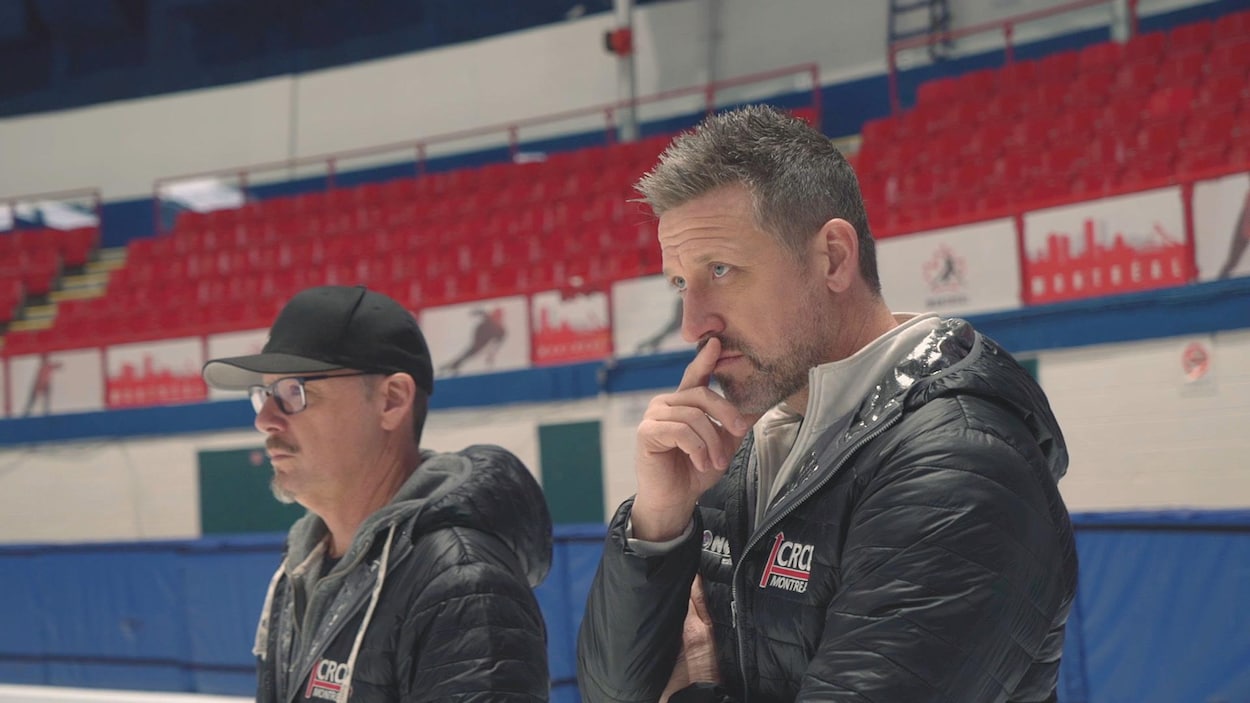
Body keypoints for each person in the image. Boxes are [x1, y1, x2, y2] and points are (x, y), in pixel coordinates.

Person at [577, 105, 1078, 703]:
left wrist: (694, 693)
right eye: (682, 284)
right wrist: (657, 525)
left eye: (721, 270)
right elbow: (610, 693)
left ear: (834, 258)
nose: (693, 325)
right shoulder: (735, 450)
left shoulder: (961, 465)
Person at [202, 285, 552, 703]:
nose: (265, 419)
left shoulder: (463, 583)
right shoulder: (298, 570)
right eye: (263, 394)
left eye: (293, 391)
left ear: (391, 400)